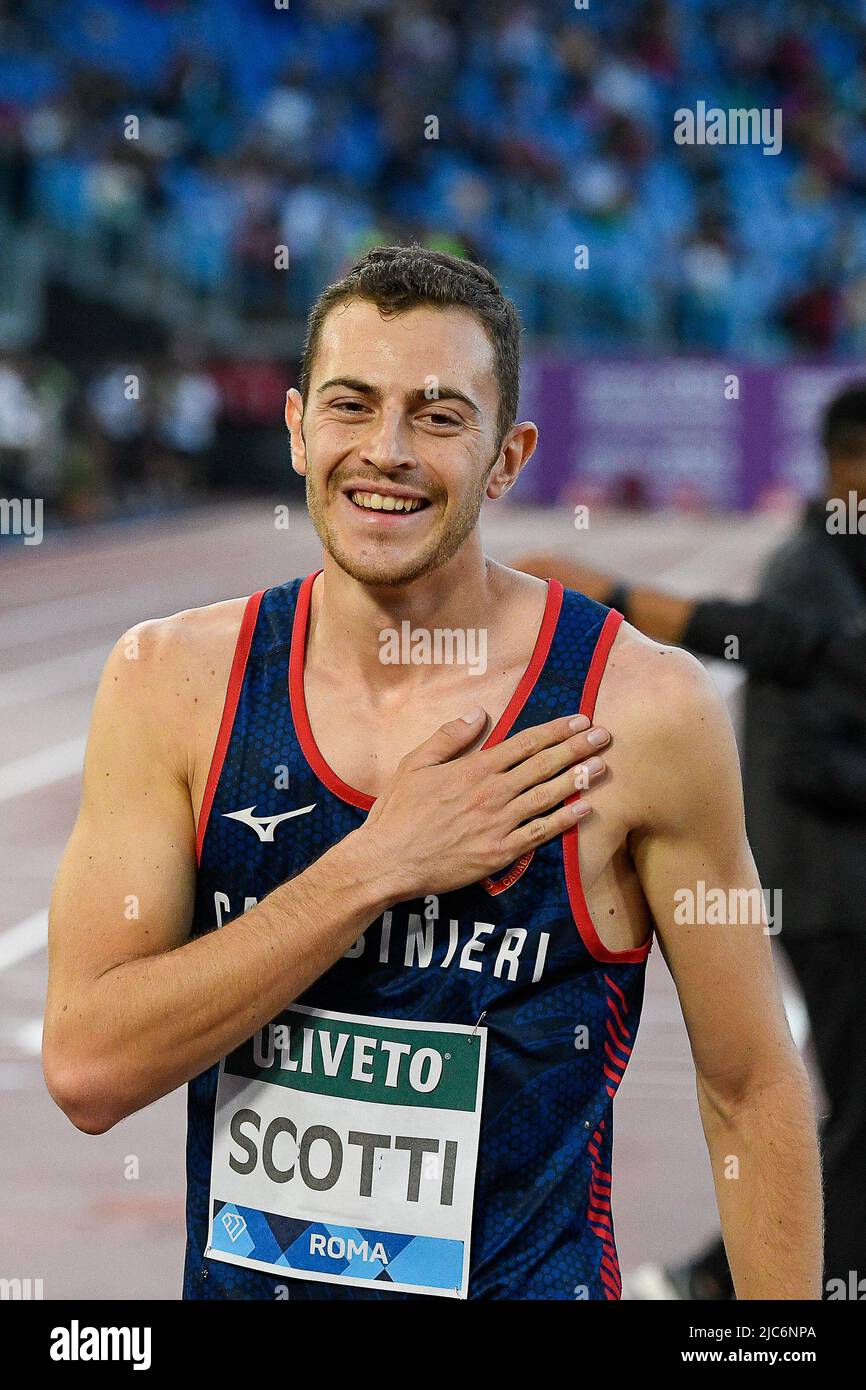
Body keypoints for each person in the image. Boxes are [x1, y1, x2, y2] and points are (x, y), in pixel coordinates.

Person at [44, 246, 821, 1301]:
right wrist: (373, 866)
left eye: (439, 416)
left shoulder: (635, 714)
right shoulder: (170, 685)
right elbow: (89, 1069)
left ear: (506, 458)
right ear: (294, 428)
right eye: (351, 406)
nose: (385, 451)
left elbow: (748, 1086)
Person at [514, 380, 866, 1300]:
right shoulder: (812, 568)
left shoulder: (843, 566)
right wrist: (634, 602)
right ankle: (742, 1284)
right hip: (832, 888)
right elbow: (802, 663)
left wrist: (635, 598)